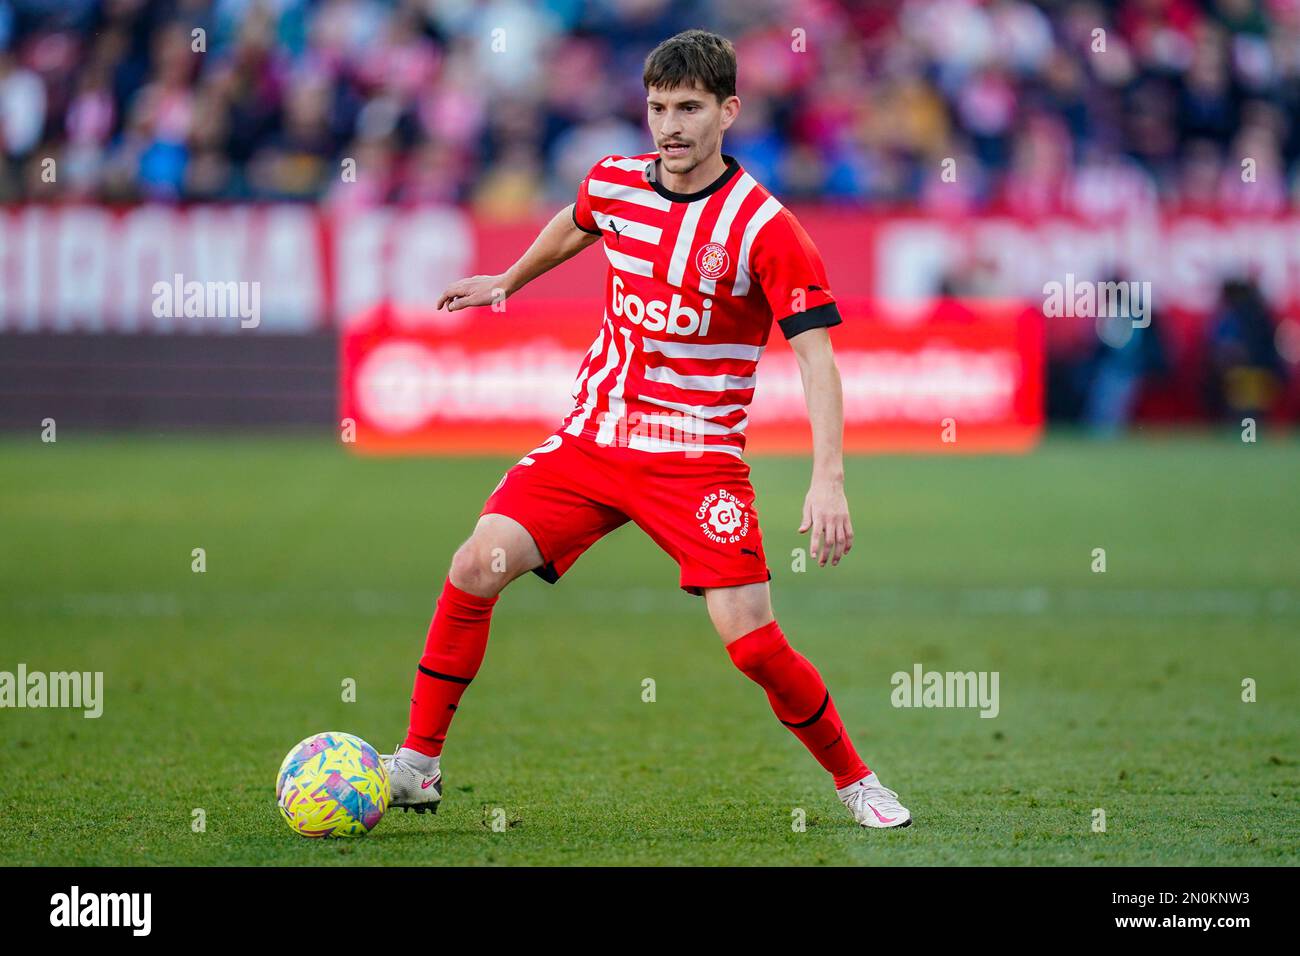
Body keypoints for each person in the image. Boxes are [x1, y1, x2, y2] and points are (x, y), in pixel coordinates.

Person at [384, 30, 911, 830]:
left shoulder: (765, 228)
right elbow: (574, 220)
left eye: (690, 108)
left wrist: (828, 475)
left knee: (753, 644)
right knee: (475, 565)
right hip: (592, 441)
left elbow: (816, 359)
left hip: (696, 460)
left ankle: (856, 780)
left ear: (728, 111)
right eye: (659, 107)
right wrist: (509, 280)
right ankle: (418, 766)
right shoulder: (618, 181)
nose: (671, 125)